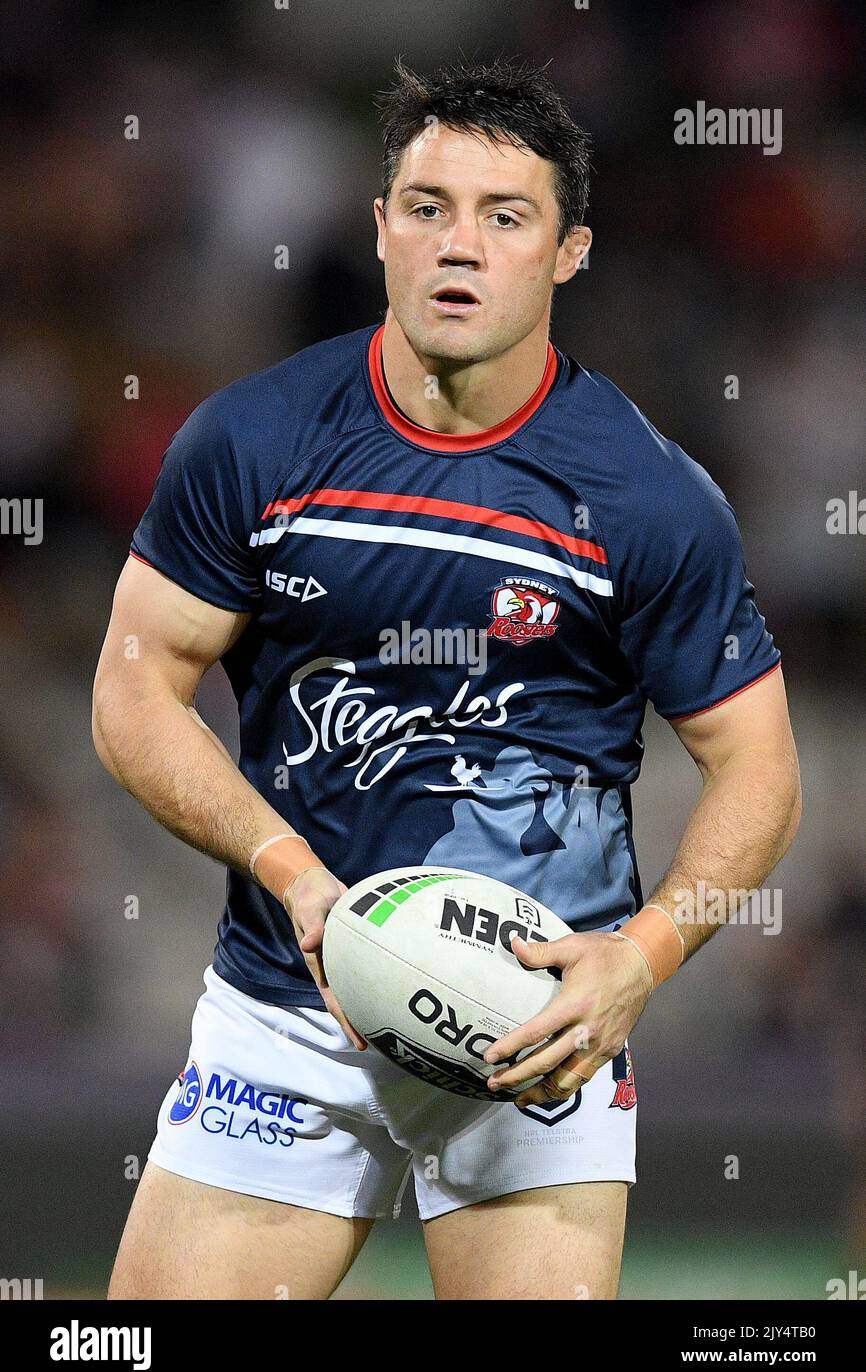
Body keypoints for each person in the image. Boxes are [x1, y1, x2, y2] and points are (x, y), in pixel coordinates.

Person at [93, 57, 801, 1300]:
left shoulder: (645, 496)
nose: (456, 246)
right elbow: (133, 690)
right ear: (378, 229)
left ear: (567, 252)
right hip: (285, 1014)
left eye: (503, 215)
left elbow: (760, 769)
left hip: (536, 1026)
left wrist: (639, 960)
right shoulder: (253, 440)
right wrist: (292, 877)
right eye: (425, 208)